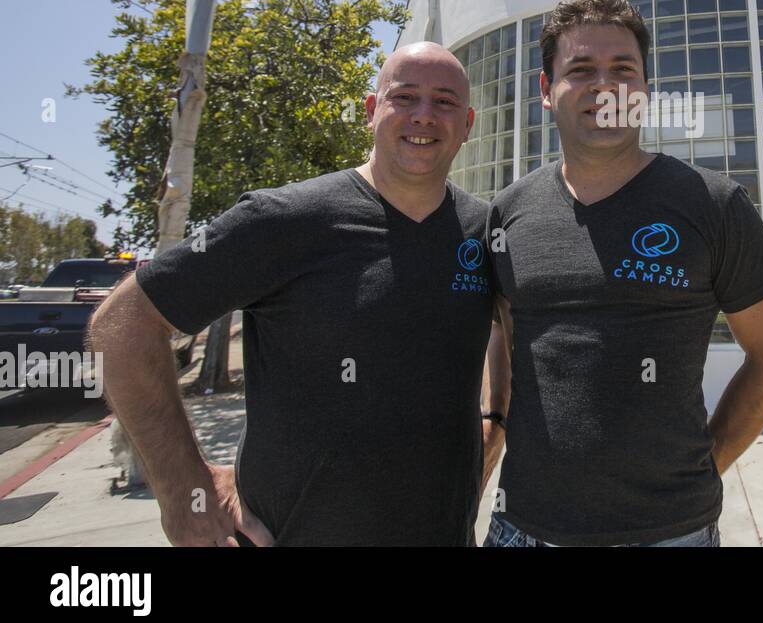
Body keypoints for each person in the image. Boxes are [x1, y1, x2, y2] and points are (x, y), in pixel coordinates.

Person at [89, 41, 507, 546]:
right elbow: (122, 324)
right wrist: (184, 488)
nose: (424, 115)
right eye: (405, 97)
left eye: (444, 101)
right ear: (372, 111)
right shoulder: (284, 219)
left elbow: (516, 328)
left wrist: (495, 421)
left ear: (468, 123)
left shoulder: (486, 232)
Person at [483, 0, 763, 547]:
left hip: (671, 534)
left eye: (623, 70)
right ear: (545, 91)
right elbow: (506, 340)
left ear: (645, 89)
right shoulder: (508, 214)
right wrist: (492, 425)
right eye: (581, 69)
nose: (604, 86)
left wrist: (706, 466)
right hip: (524, 527)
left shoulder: (713, 205)